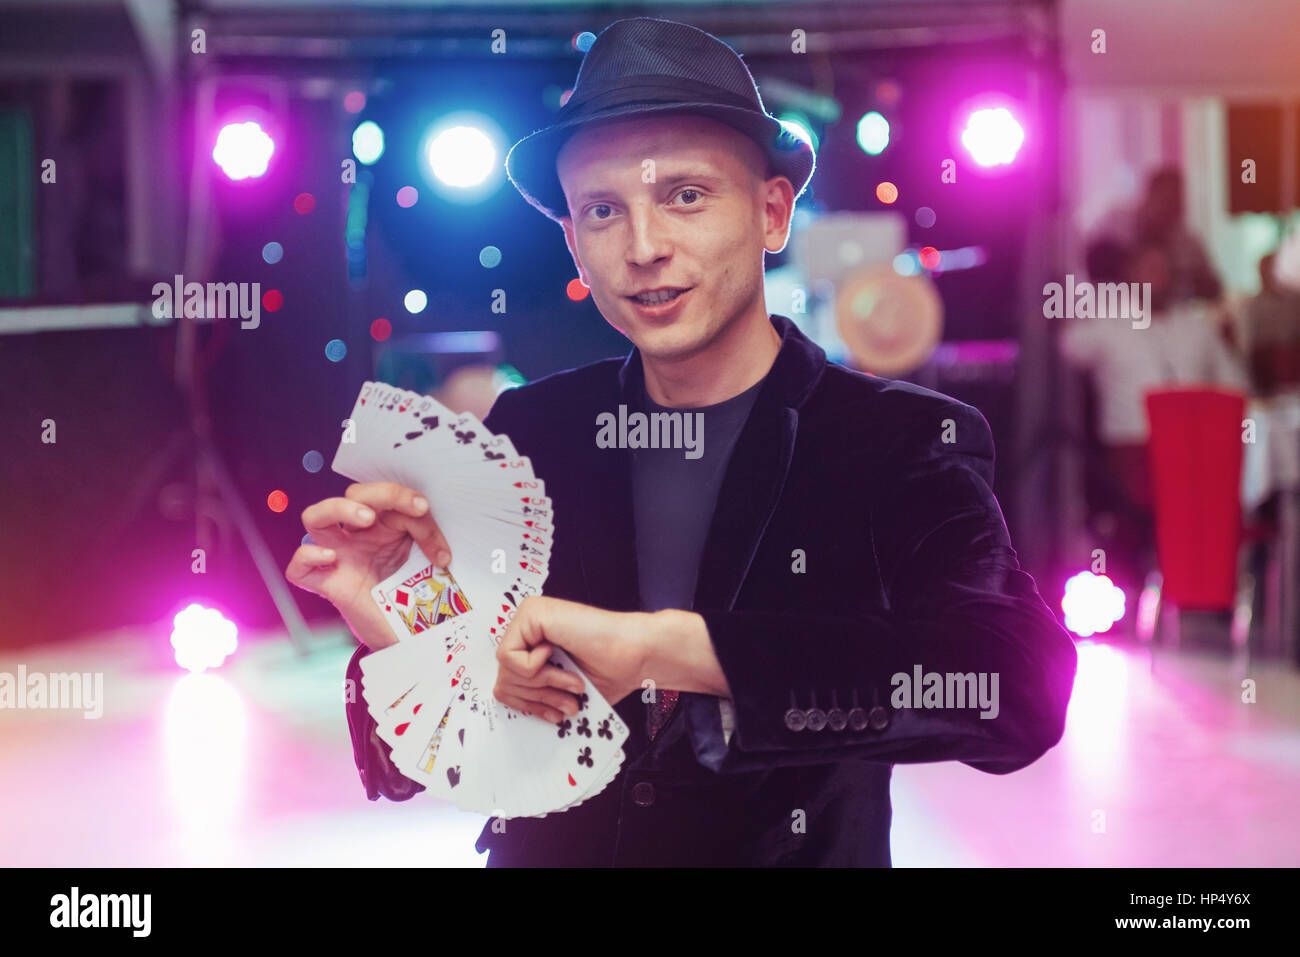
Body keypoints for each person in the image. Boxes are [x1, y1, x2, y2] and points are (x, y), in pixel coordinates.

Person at [285, 16, 1078, 866]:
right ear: (573, 243)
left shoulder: (897, 440)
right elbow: (466, 732)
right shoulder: (529, 435)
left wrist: (677, 652)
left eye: (685, 195)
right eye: (602, 210)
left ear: (773, 211)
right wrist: (397, 623)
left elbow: (1013, 688)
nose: (645, 248)